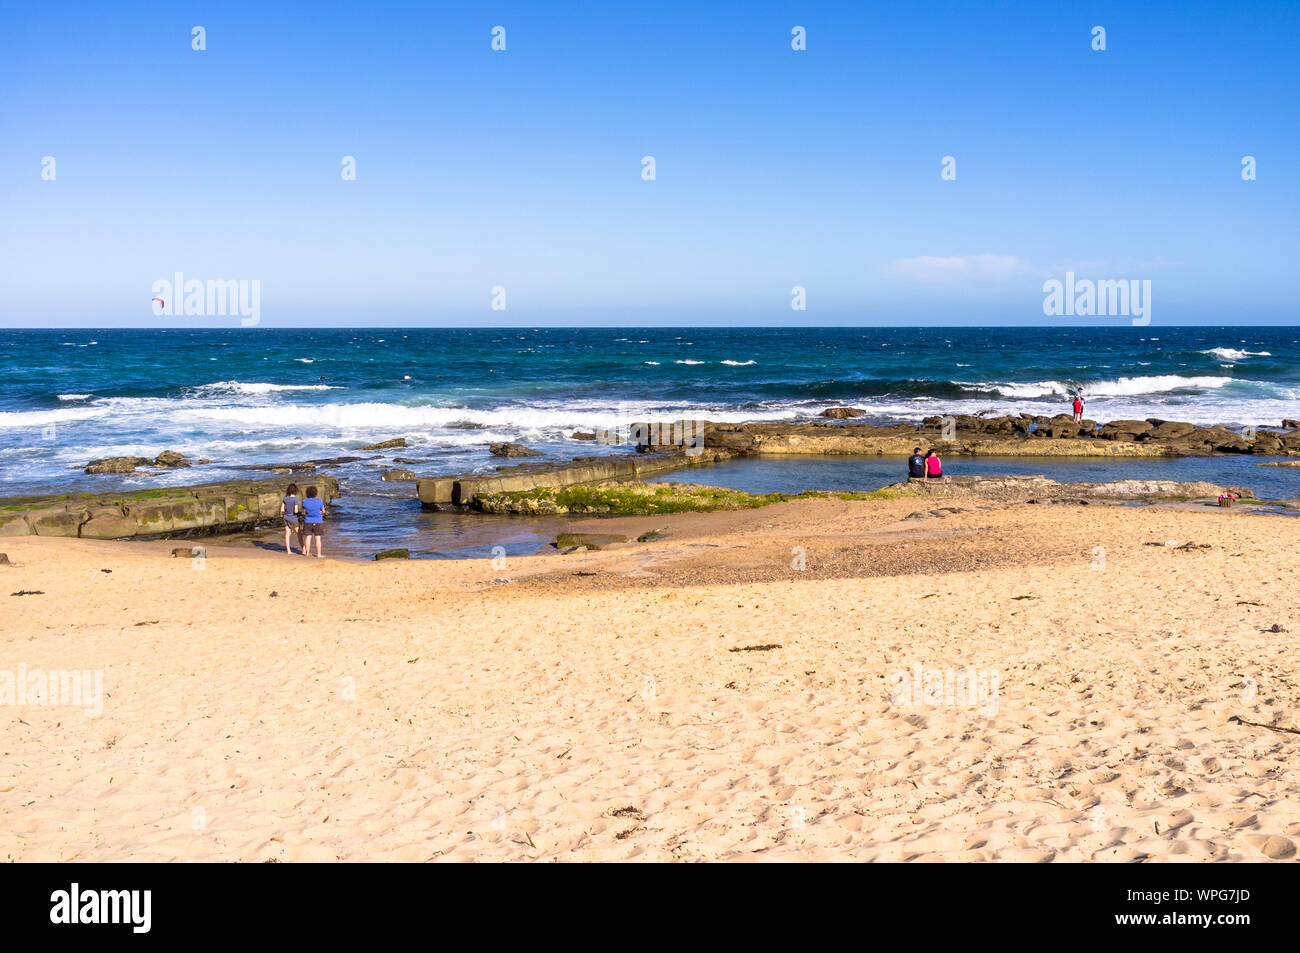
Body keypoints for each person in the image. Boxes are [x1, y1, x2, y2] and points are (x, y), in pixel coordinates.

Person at [300, 486, 327, 558]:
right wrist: (321, 512)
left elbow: (303, 509)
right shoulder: (319, 501)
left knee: (307, 538)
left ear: (307, 493)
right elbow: (323, 511)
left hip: (308, 521)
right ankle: (318, 554)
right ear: (316, 493)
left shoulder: (305, 501)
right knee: (318, 539)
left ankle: (307, 553)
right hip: (318, 521)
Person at [280, 483, 301, 555]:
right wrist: (298, 511)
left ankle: (288, 551)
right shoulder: (296, 499)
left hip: (286, 518)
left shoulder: (285, 498)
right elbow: (295, 511)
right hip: (293, 518)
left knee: (287, 534)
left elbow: (282, 509)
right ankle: (304, 549)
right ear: (296, 491)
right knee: (299, 534)